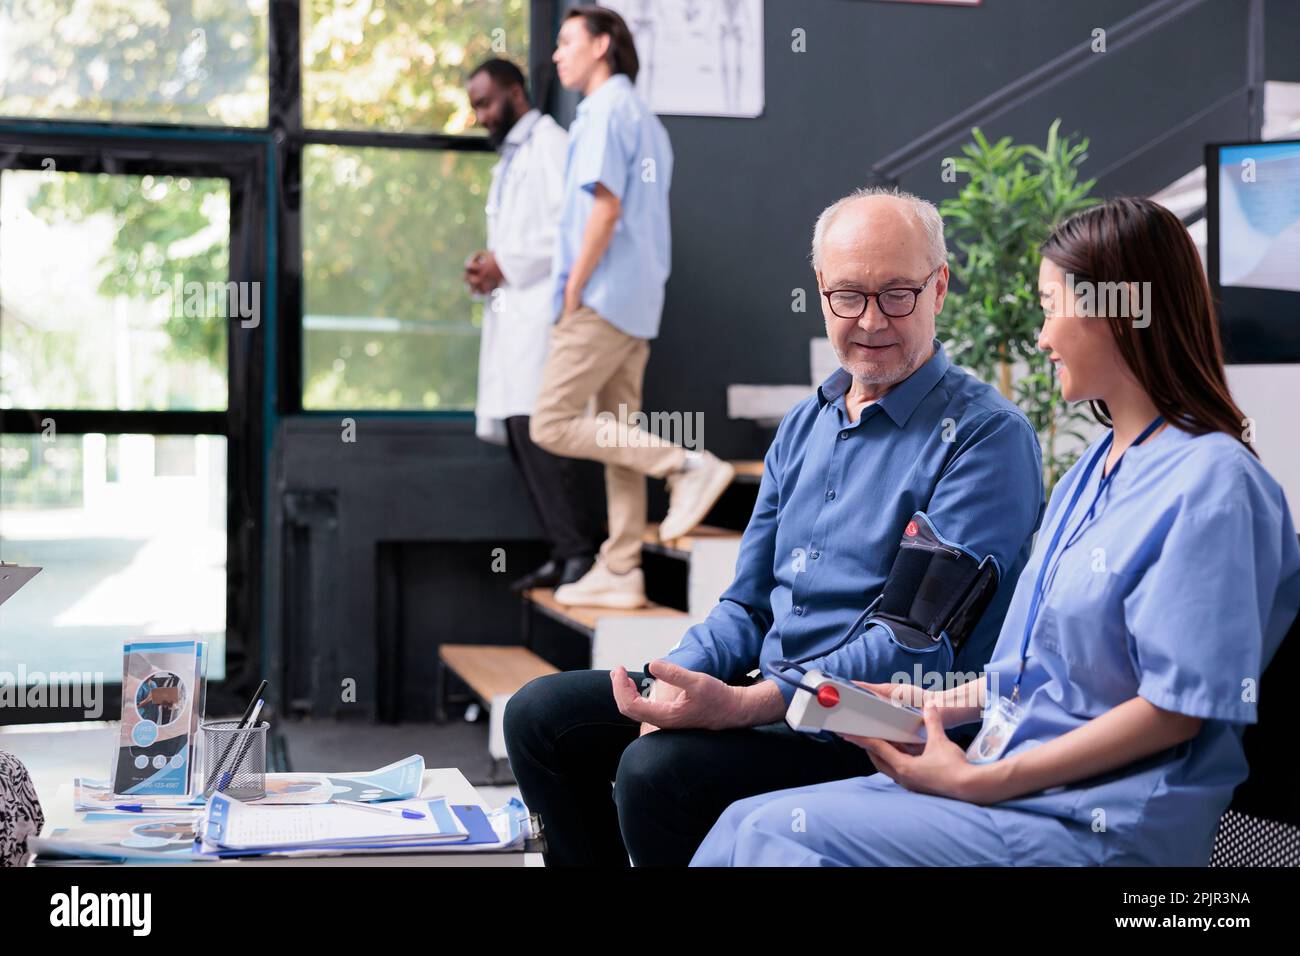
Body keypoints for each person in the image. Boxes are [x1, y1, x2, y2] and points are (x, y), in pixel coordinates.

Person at [692, 197, 1300, 867]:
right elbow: (1041, 670)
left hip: (1096, 820)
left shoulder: (1215, 484)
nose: (1041, 337)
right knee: (740, 825)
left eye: (1049, 307)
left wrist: (986, 780)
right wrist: (932, 701)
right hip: (1008, 779)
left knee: (772, 838)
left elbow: (1177, 710)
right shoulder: (1090, 474)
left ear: (1117, 315)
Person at [505, 186, 1045, 866]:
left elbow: (913, 646)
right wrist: (683, 680)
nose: (871, 320)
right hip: (776, 701)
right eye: (848, 295)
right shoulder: (804, 425)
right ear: (821, 293)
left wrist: (751, 703)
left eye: (898, 294)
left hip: (880, 722)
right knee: (539, 716)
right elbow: (746, 604)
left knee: (657, 774)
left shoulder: (986, 437)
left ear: (940, 287)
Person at [530, 5, 735, 611]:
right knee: (616, 427)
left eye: (567, 42)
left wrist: (572, 288)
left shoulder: (603, 112)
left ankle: (686, 465)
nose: (557, 54)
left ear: (601, 46)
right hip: (637, 300)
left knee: (551, 421)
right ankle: (621, 565)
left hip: (601, 297)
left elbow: (605, 209)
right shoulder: (643, 117)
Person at [464, 58, 603, 592]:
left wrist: (506, 263)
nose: (479, 115)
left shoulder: (550, 145)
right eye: (475, 105)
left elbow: (572, 232)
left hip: (544, 312)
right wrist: (491, 266)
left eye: (486, 102)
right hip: (516, 311)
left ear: (516, 94)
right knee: (523, 435)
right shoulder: (516, 154)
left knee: (540, 432)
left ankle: (579, 552)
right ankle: (562, 549)